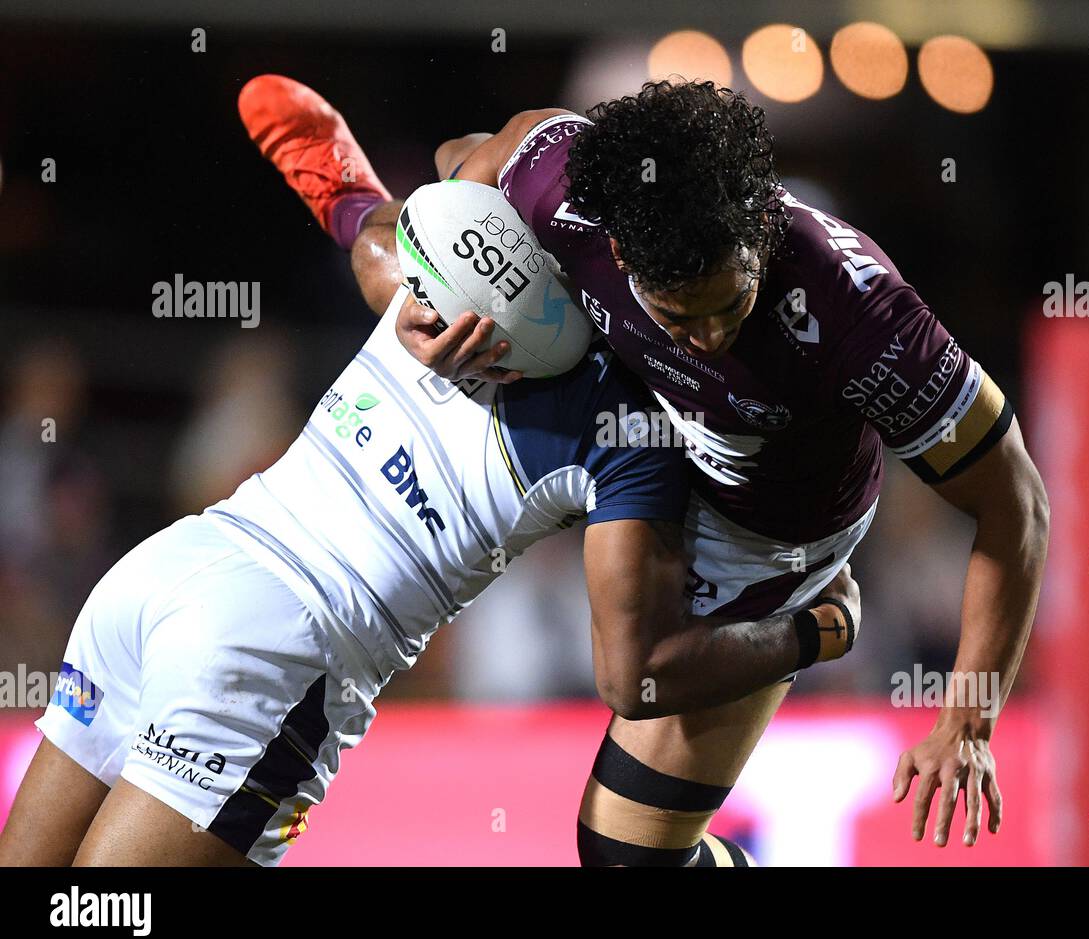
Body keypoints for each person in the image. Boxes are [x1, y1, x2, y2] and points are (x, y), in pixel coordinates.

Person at [0, 144, 860, 872]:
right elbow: (634, 675)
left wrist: (347, 194)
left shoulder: (452, 255)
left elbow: (420, 192)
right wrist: (815, 633)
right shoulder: (637, 436)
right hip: (275, 650)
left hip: (171, 569)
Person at [317, 74, 1050, 861]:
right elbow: (456, 169)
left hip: (767, 528)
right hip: (622, 414)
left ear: (762, 234)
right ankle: (351, 210)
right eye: (677, 314)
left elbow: (1017, 505)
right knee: (412, 314)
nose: (705, 337)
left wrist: (967, 722)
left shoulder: (863, 317)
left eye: (730, 304)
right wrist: (430, 292)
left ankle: (819, 623)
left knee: (627, 839)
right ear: (619, 247)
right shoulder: (559, 179)